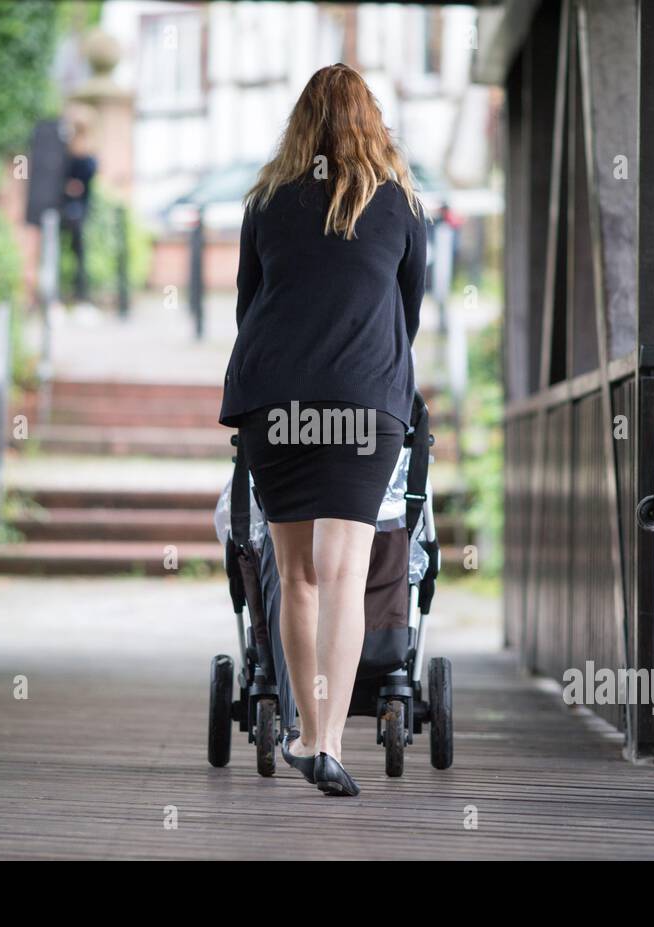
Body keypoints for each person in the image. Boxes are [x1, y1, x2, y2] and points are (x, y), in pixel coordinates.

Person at [218, 64, 427, 797]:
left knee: (297, 575)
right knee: (345, 574)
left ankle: (309, 730)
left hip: (277, 401)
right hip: (365, 402)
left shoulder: (267, 202)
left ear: (299, 124)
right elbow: (409, 311)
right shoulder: (399, 204)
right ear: (372, 122)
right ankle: (331, 740)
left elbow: (249, 307)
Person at [61, 120, 98, 302]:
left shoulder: (84, 156)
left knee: (76, 254)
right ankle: (77, 297)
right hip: (73, 211)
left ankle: (78, 296)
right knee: (75, 254)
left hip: (76, 211)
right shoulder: (73, 155)